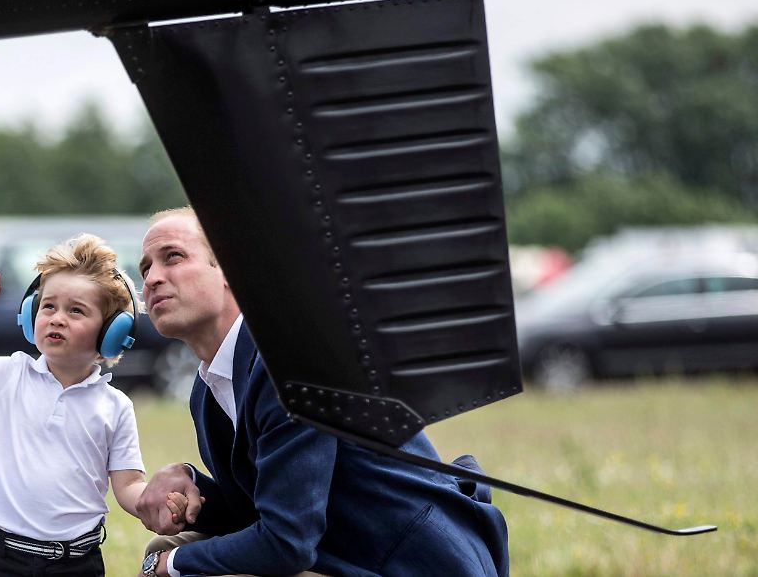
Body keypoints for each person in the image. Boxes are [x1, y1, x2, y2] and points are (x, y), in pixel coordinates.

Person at [134, 207, 510, 577]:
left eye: (173, 257)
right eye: (146, 268)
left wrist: (172, 567)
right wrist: (193, 491)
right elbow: (267, 509)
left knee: (188, 568)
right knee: (167, 547)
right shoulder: (208, 387)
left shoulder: (290, 359)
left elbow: (286, 542)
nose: (152, 279)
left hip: (410, 564)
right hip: (337, 552)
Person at [0, 234, 187, 576]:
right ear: (31, 314)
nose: (56, 318)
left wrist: (155, 504)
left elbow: (127, 486)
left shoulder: (115, 406)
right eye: (48, 306)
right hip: (1, 557)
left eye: (76, 311)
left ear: (110, 333)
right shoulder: (9, 375)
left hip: (76, 563)